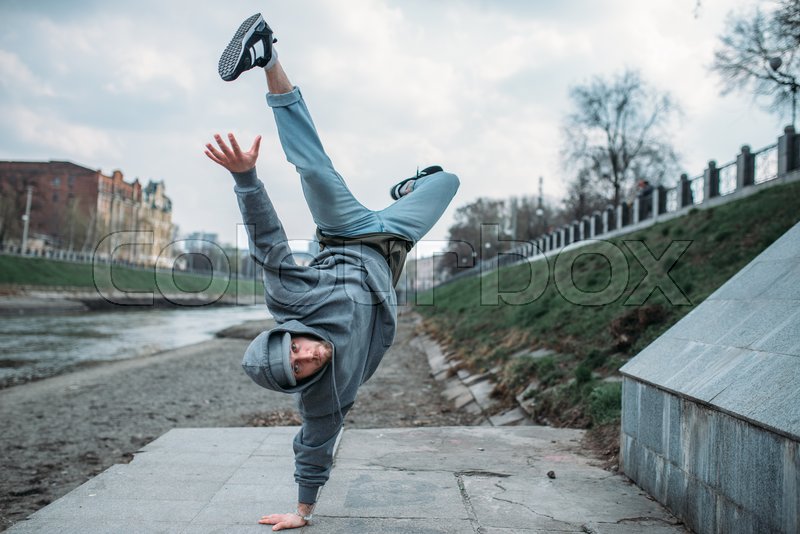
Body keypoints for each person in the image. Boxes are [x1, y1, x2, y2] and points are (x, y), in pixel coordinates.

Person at [204, 13, 459, 531]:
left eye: (294, 348)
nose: (308, 354)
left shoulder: (291, 303)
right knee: (449, 181)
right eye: (300, 367)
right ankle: (413, 190)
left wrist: (246, 178)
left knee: (314, 168)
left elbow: (268, 240)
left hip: (346, 230)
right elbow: (314, 444)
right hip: (393, 246)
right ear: (299, 383)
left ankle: (267, 54)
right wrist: (302, 512)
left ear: (287, 334)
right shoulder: (327, 394)